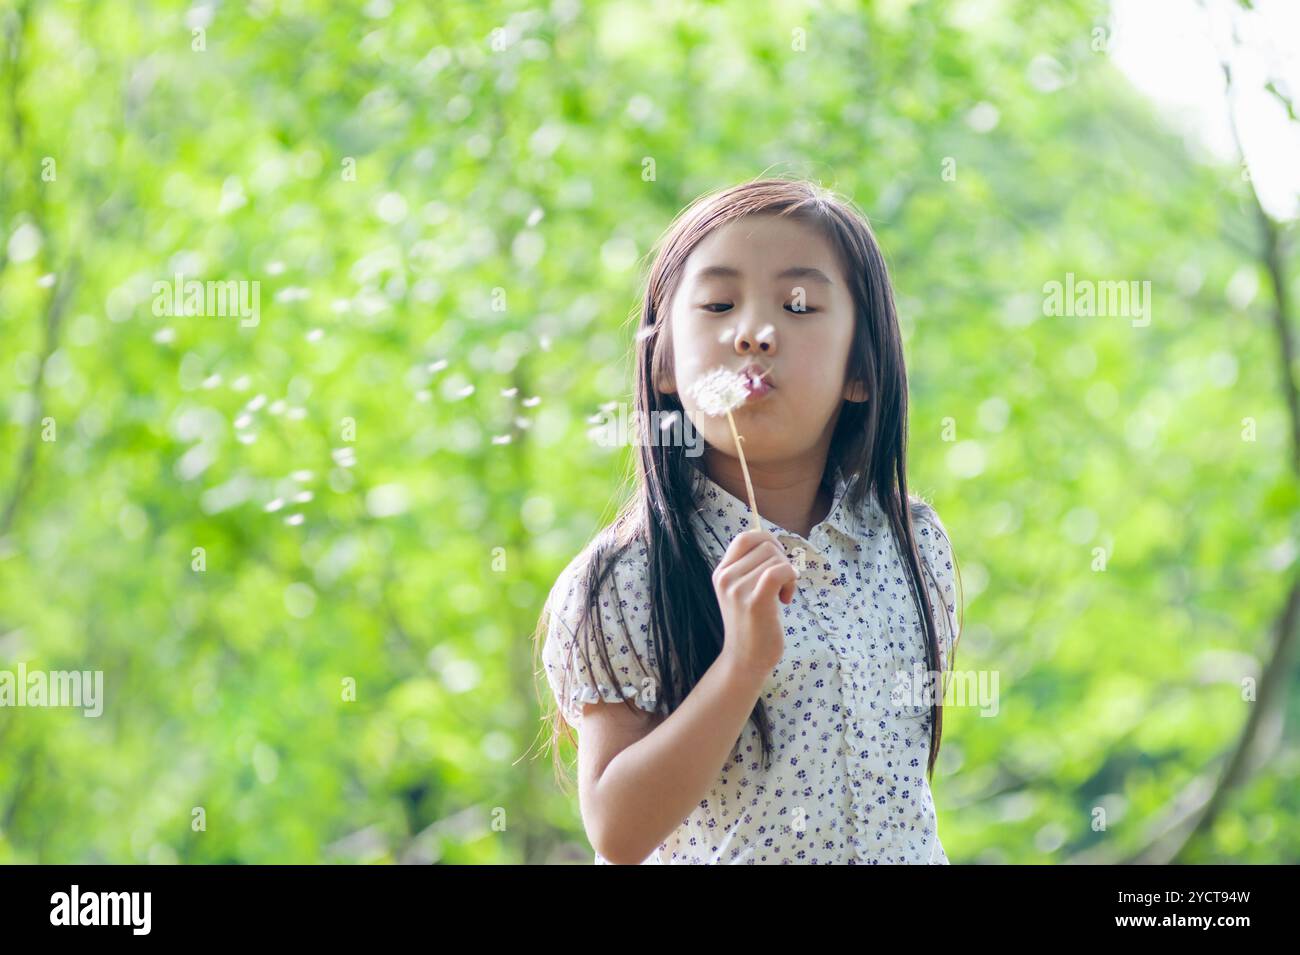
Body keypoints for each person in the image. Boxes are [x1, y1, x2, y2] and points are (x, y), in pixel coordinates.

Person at [535, 176, 963, 864]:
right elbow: (617, 830)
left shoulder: (909, 543)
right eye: (718, 303)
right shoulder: (628, 576)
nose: (755, 333)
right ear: (666, 362)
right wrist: (743, 665)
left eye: (798, 305)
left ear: (861, 367)